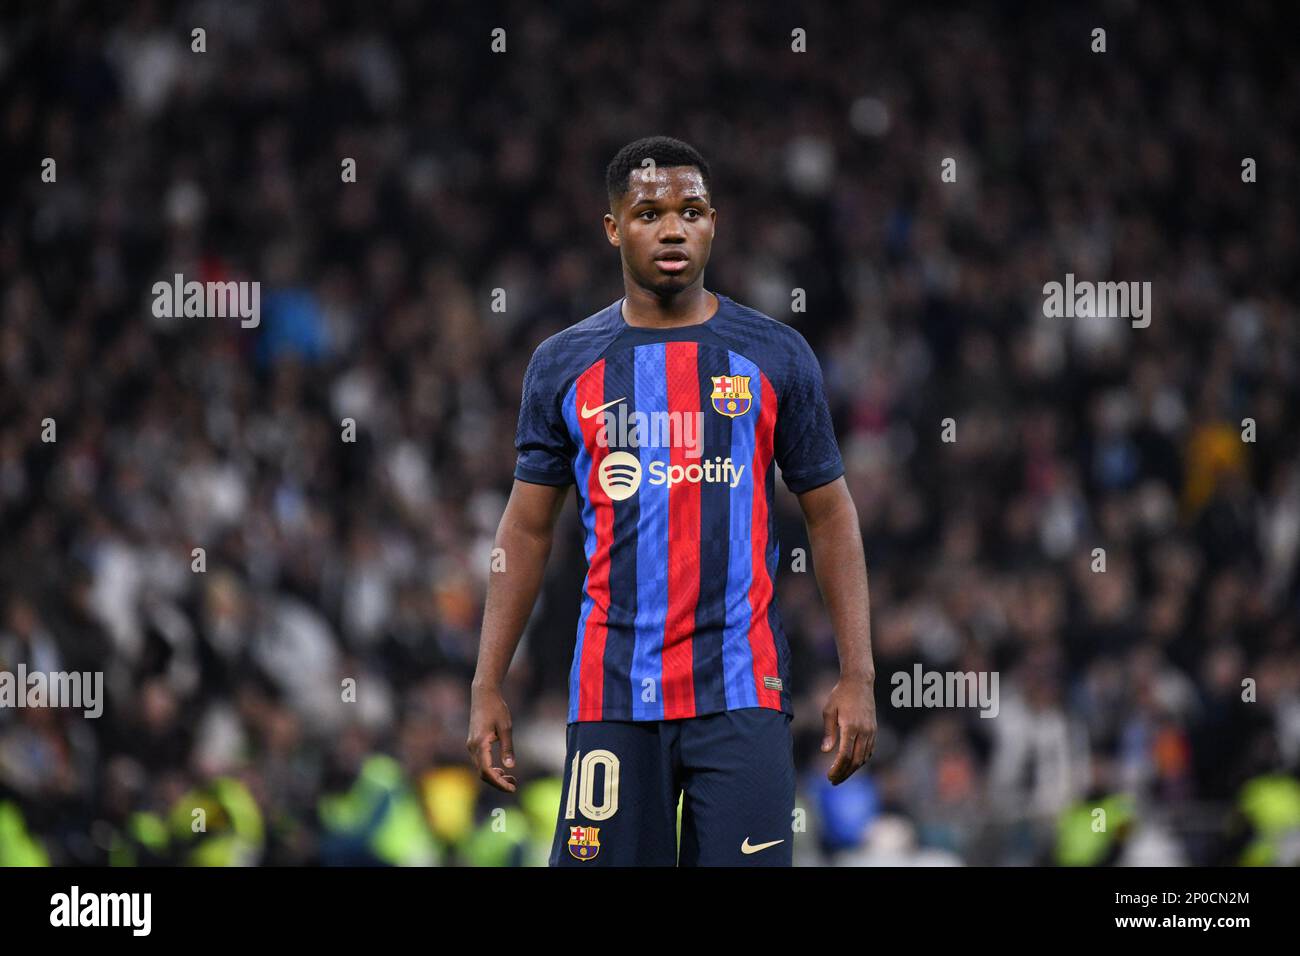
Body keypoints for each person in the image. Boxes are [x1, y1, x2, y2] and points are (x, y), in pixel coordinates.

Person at [467, 136, 877, 866]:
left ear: (714, 222)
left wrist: (858, 674)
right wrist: (487, 681)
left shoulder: (776, 355)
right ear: (613, 227)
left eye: (690, 211)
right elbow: (526, 532)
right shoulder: (564, 363)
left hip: (741, 691)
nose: (672, 228)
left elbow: (831, 514)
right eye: (649, 211)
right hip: (613, 693)